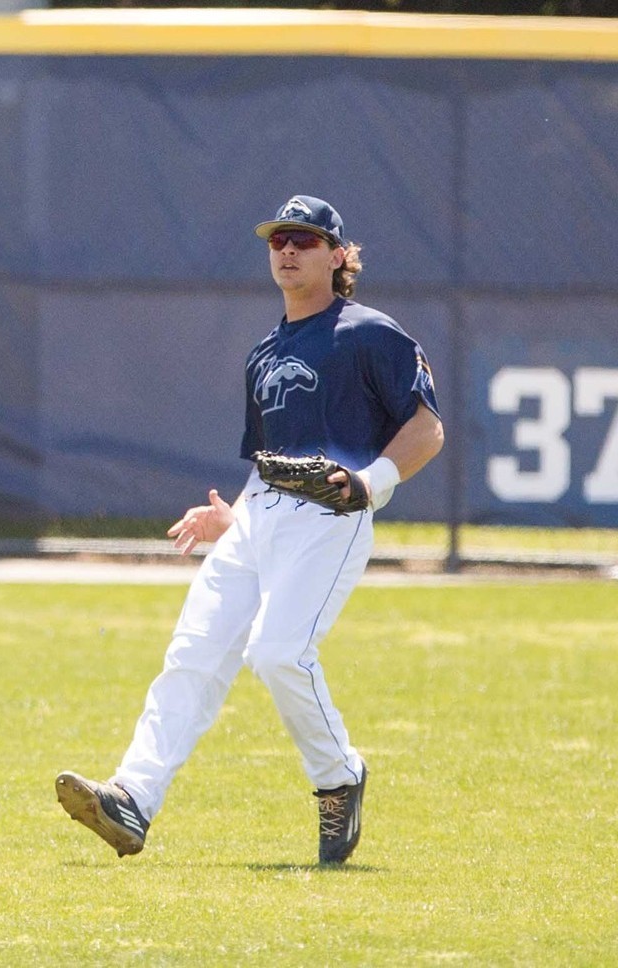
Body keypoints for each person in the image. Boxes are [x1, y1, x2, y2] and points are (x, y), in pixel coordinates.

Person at [56, 195, 444, 865]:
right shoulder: (264, 352)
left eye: (305, 239)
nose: (288, 249)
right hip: (260, 515)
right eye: (278, 240)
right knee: (193, 654)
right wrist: (232, 518)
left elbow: (428, 429)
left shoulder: (370, 333)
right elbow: (268, 460)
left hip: (329, 516)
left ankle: (339, 775)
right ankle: (132, 798)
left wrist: (370, 482)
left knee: (278, 653)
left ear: (338, 256)